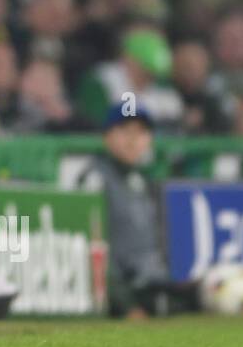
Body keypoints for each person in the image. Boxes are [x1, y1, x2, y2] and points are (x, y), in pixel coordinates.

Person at [77, 105, 199, 317]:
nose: (133, 140)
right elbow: (95, 249)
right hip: (123, 291)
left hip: (154, 283)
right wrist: (127, 305)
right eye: (125, 131)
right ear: (108, 136)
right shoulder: (95, 178)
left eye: (141, 133)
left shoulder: (141, 180)